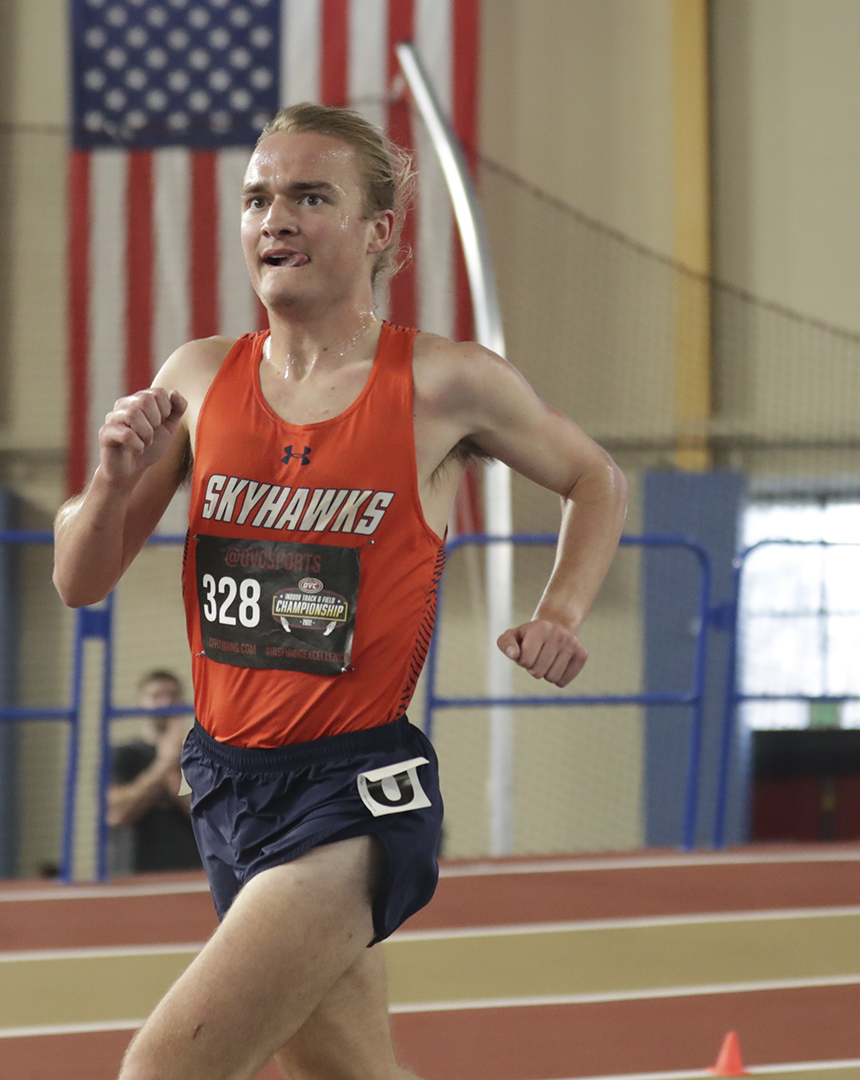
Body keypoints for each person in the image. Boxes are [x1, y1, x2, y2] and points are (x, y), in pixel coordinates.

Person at [53, 103, 626, 1080]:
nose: (275, 218)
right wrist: (108, 482)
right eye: (258, 199)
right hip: (224, 784)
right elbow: (79, 578)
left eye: (310, 197)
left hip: (353, 797)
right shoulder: (196, 378)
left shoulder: (445, 383)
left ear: (377, 233)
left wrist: (562, 610)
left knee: (161, 1072)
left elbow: (596, 479)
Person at [107, 670, 203, 873]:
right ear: (142, 703)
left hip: (190, 875)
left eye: (174, 695)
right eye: (157, 695)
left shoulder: (200, 757)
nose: (166, 702)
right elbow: (117, 813)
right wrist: (164, 764)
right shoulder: (124, 754)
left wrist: (175, 777)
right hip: (133, 876)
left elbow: (212, 820)